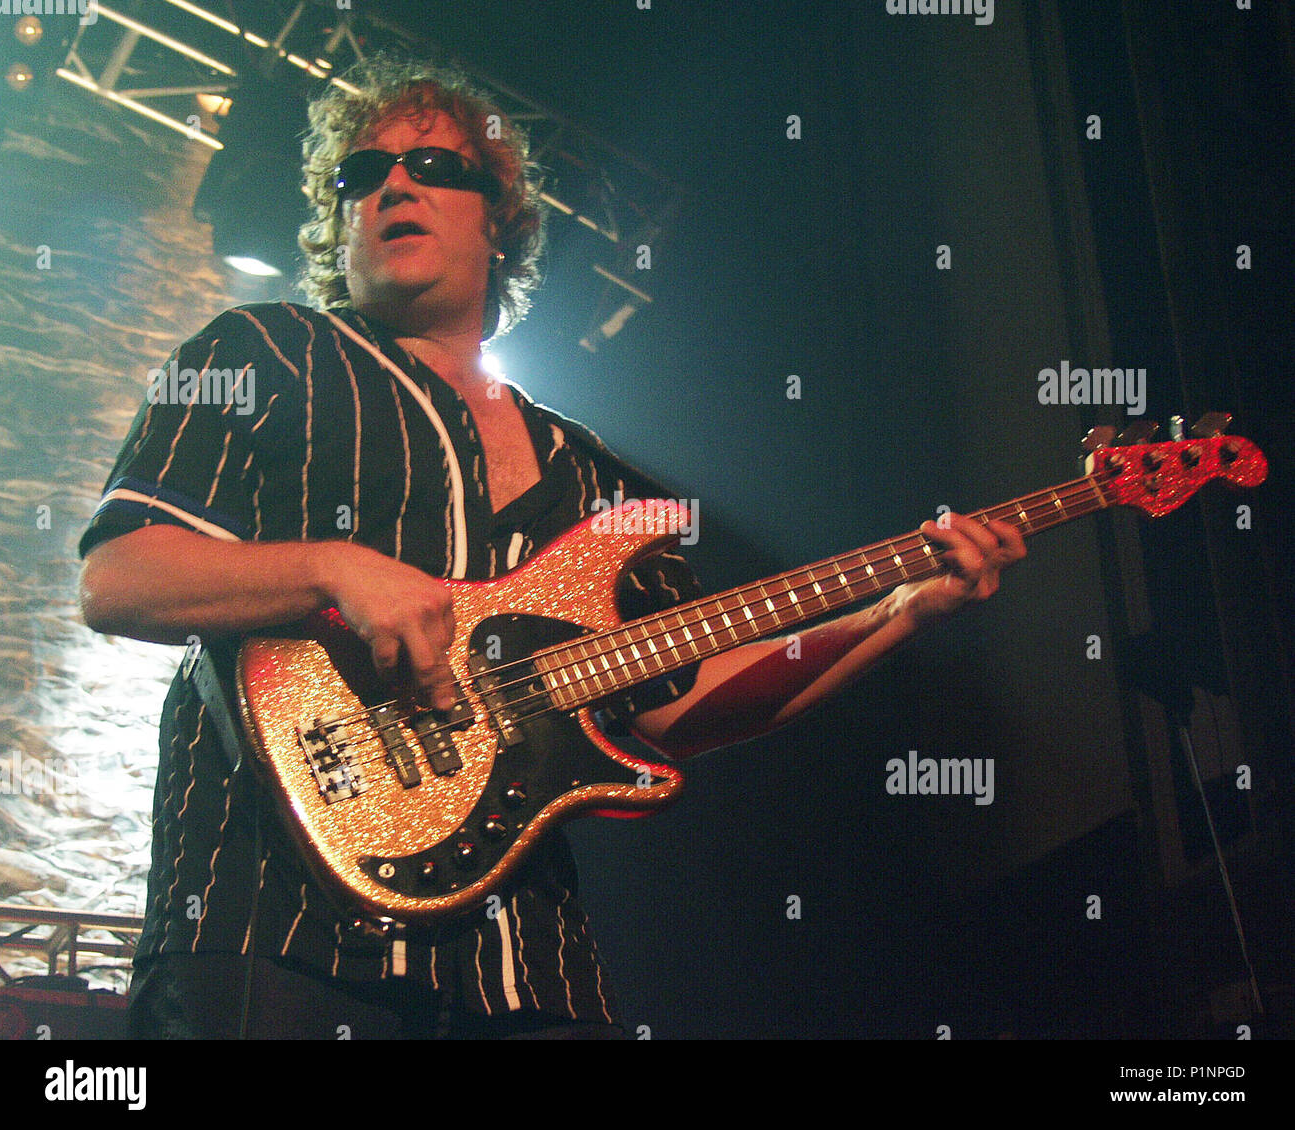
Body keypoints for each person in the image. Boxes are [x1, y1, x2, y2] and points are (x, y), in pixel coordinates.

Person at [77, 56, 1025, 1039]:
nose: (393, 184)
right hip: (270, 928)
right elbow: (119, 579)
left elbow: (678, 704)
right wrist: (332, 567)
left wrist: (895, 611)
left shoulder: (599, 477)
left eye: (434, 164)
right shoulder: (261, 353)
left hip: (527, 967)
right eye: (363, 174)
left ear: (499, 217)